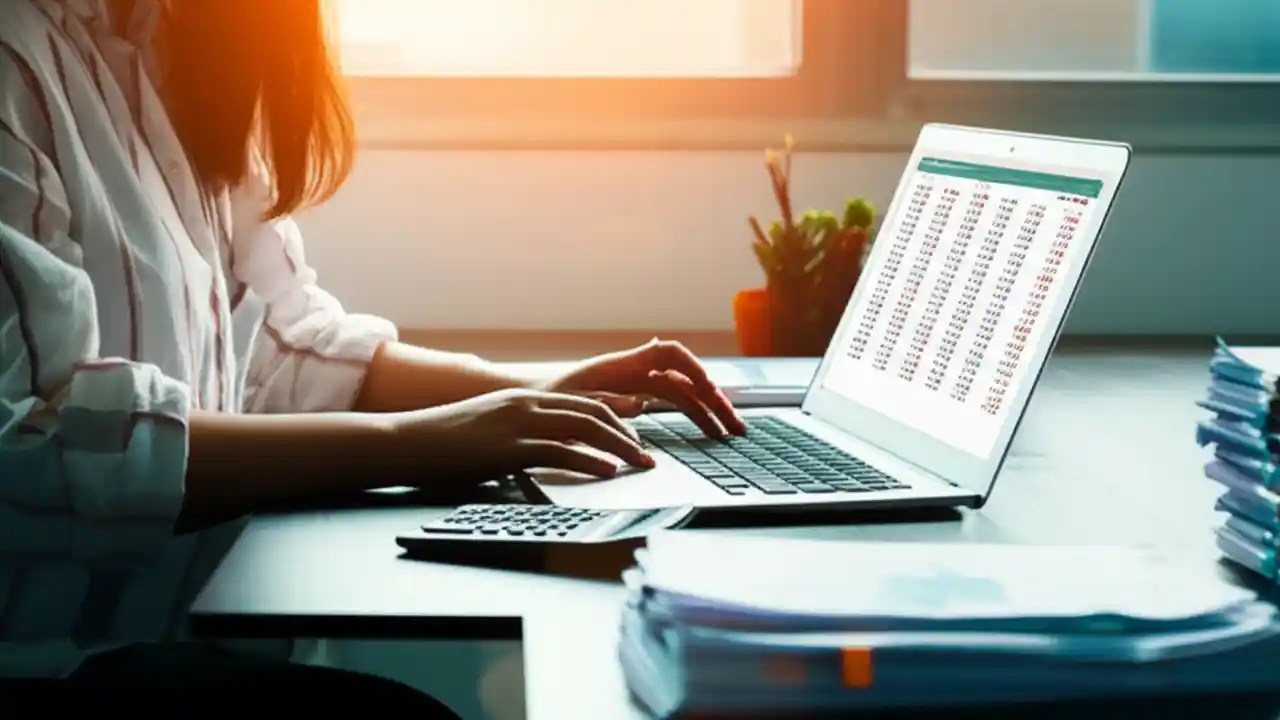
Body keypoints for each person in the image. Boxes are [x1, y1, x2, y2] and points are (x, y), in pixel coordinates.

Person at [0, 0, 745, 712]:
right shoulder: (18, 57)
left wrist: (536, 393)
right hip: (55, 663)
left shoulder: (179, 40)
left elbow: (281, 345)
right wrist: (420, 445)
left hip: (193, 635)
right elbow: (30, 442)